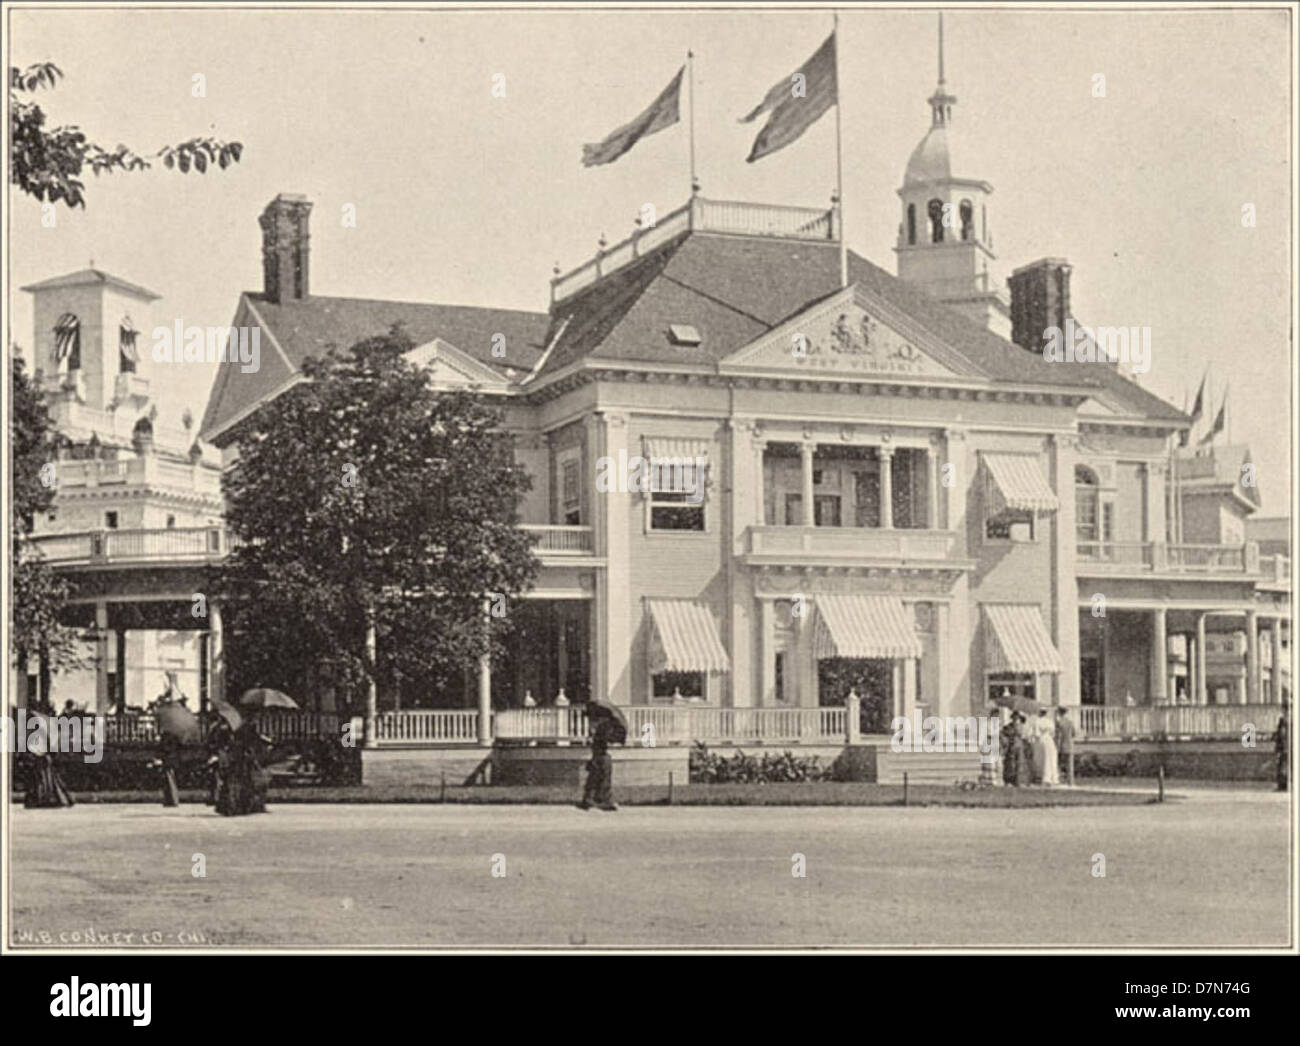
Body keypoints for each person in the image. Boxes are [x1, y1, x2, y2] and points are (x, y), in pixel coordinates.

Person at [23, 717, 75, 808]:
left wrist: (39, 753)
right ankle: (49, 799)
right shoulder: (41, 736)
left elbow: (36, 748)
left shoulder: (38, 736)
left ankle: (44, 799)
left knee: (43, 780)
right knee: (47, 780)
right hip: (43, 760)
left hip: (42, 760)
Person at [580, 718, 618, 811]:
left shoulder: (603, 728)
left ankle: (598, 799)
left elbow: (604, 741)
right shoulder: (600, 729)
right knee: (596, 778)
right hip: (599, 756)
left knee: (599, 778)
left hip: (600, 755)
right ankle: (593, 799)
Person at [1055, 706, 1076, 786]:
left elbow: (1058, 735)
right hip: (1070, 744)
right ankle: (1071, 781)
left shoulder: (1059, 723)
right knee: (1070, 764)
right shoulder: (1070, 722)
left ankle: (1060, 780)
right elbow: (1074, 733)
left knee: (1059, 763)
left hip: (1061, 745)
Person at [1037, 709, 1059, 786]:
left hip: (1042, 739)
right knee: (1052, 758)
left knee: (1045, 759)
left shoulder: (1038, 721)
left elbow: (1037, 733)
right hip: (1049, 740)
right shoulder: (1050, 721)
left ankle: (1046, 778)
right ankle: (1054, 778)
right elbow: (1053, 733)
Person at [1001, 712, 1023, 787]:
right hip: (1011, 747)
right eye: (1014, 718)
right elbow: (1004, 733)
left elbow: (1022, 734)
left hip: (1018, 746)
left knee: (1018, 763)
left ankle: (1016, 780)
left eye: (1017, 718)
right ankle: (1009, 779)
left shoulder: (1020, 726)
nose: (1016, 720)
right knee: (1010, 764)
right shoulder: (1008, 727)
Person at [1276, 701, 1290, 793]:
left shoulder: (1284, 720)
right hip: (1286, 746)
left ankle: (1283, 785)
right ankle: (1283, 784)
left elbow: (1282, 733)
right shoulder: (1287, 719)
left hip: (1285, 746)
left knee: (1282, 765)